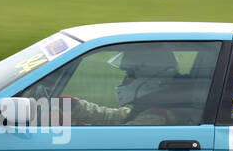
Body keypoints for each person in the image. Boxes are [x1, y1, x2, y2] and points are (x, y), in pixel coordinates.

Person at [65, 42, 197, 126]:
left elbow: (116, 139)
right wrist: (76, 106)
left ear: (151, 81)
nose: (124, 81)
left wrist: (72, 125)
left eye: (129, 75)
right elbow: (118, 118)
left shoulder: (156, 119)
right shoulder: (154, 109)